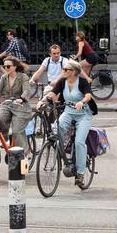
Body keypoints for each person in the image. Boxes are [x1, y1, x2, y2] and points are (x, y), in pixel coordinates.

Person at [44, 58, 99, 186]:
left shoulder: (82, 82)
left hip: (83, 114)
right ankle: (62, 154)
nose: (63, 71)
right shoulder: (62, 81)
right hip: (68, 112)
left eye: (66, 69)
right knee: (56, 131)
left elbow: (88, 96)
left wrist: (82, 102)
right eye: (63, 69)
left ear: (74, 72)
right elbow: (53, 93)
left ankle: (80, 173)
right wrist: (43, 101)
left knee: (79, 142)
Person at [0, 55, 32, 154]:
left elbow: (27, 91)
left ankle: (24, 153)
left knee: (16, 131)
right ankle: (5, 139)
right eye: (4, 66)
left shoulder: (23, 77)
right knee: (0, 119)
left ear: (15, 66)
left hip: (21, 106)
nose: (6, 68)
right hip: (8, 104)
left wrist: (22, 99)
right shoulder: (4, 77)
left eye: (8, 66)